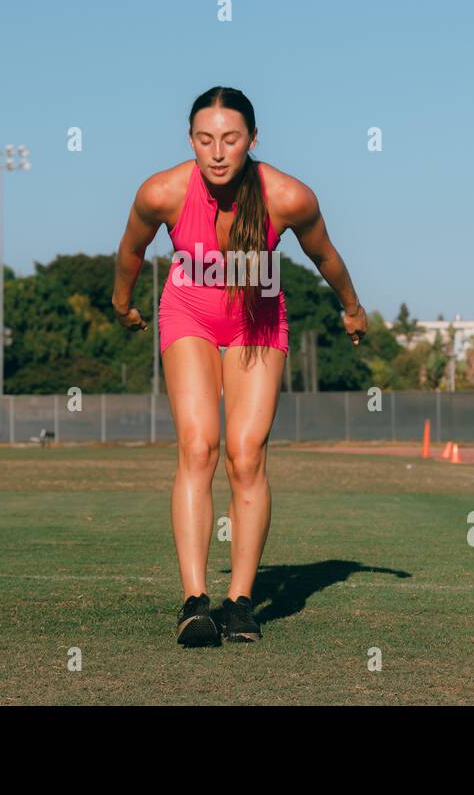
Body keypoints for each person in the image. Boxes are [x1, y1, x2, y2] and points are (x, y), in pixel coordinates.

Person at [111, 86, 367, 647]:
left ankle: (240, 602)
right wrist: (121, 301)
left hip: (257, 318)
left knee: (245, 454)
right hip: (189, 315)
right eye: (206, 140)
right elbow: (132, 249)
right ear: (191, 141)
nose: (218, 152)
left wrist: (351, 306)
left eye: (230, 139)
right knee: (198, 445)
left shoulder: (288, 196)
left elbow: (324, 254)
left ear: (252, 139)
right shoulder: (162, 192)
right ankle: (195, 600)